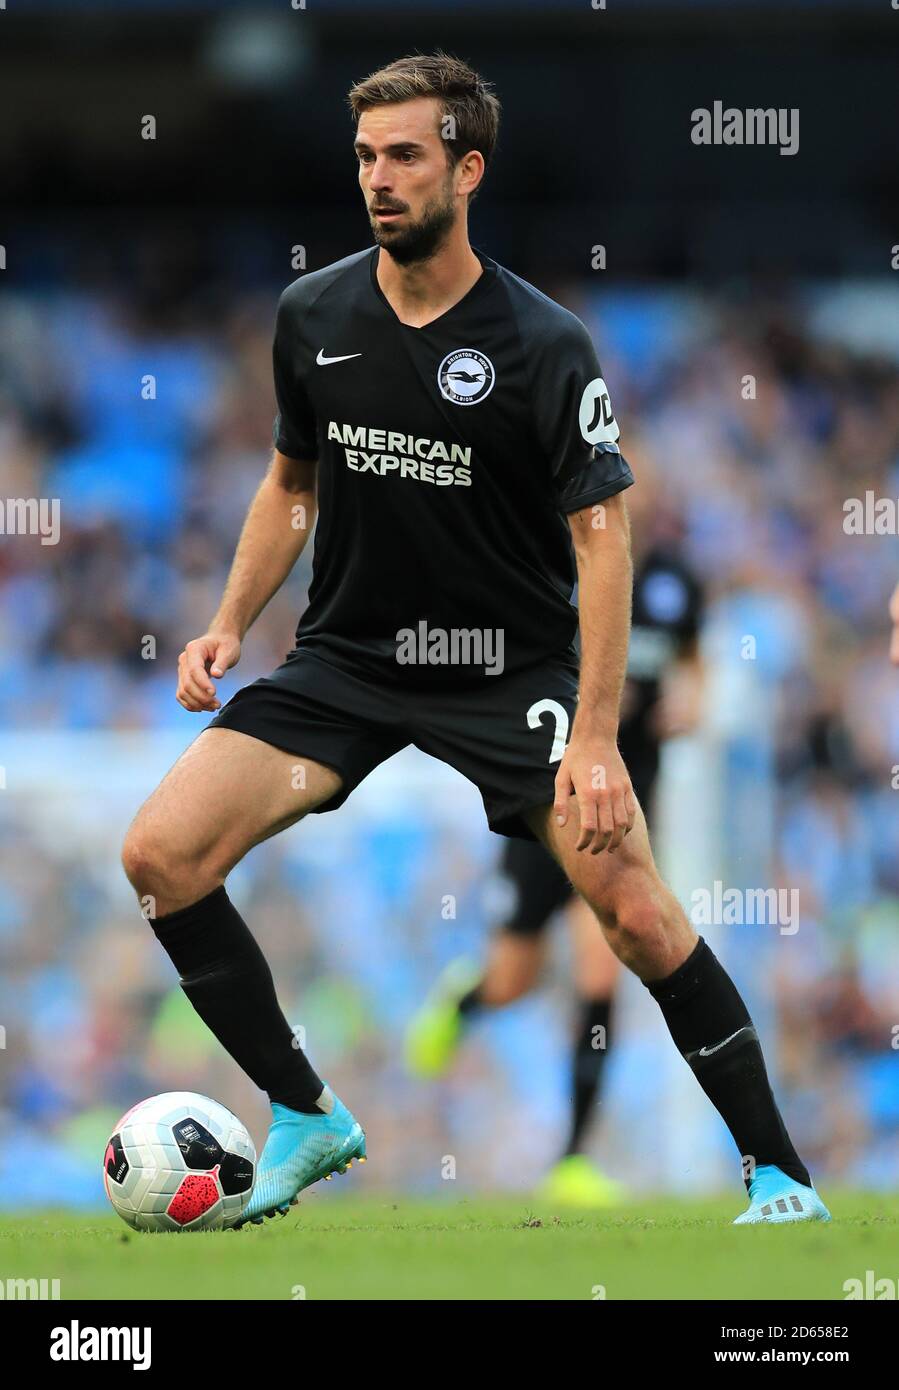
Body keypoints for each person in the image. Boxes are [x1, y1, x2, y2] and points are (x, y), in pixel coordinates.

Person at [121, 52, 828, 1226]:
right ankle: (306, 1111)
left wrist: (595, 734)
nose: (379, 180)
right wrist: (226, 622)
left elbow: (604, 543)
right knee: (160, 854)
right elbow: (290, 483)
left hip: (510, 677)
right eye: (364, 158)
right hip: (344, 664)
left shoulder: (542, 343)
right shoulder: (315, 314)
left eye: (405, 156)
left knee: (635, 913)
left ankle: (777, 1172)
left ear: (467, 168)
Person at [406, 484, 705, 1208]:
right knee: (512, 981)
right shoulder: (547, 569)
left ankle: (570, 1160)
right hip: (545, 804)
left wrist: (686, 703)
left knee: (601, 979)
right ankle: (467, 1000)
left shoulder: (675, 584)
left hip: (621, 813)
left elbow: (695, 672)